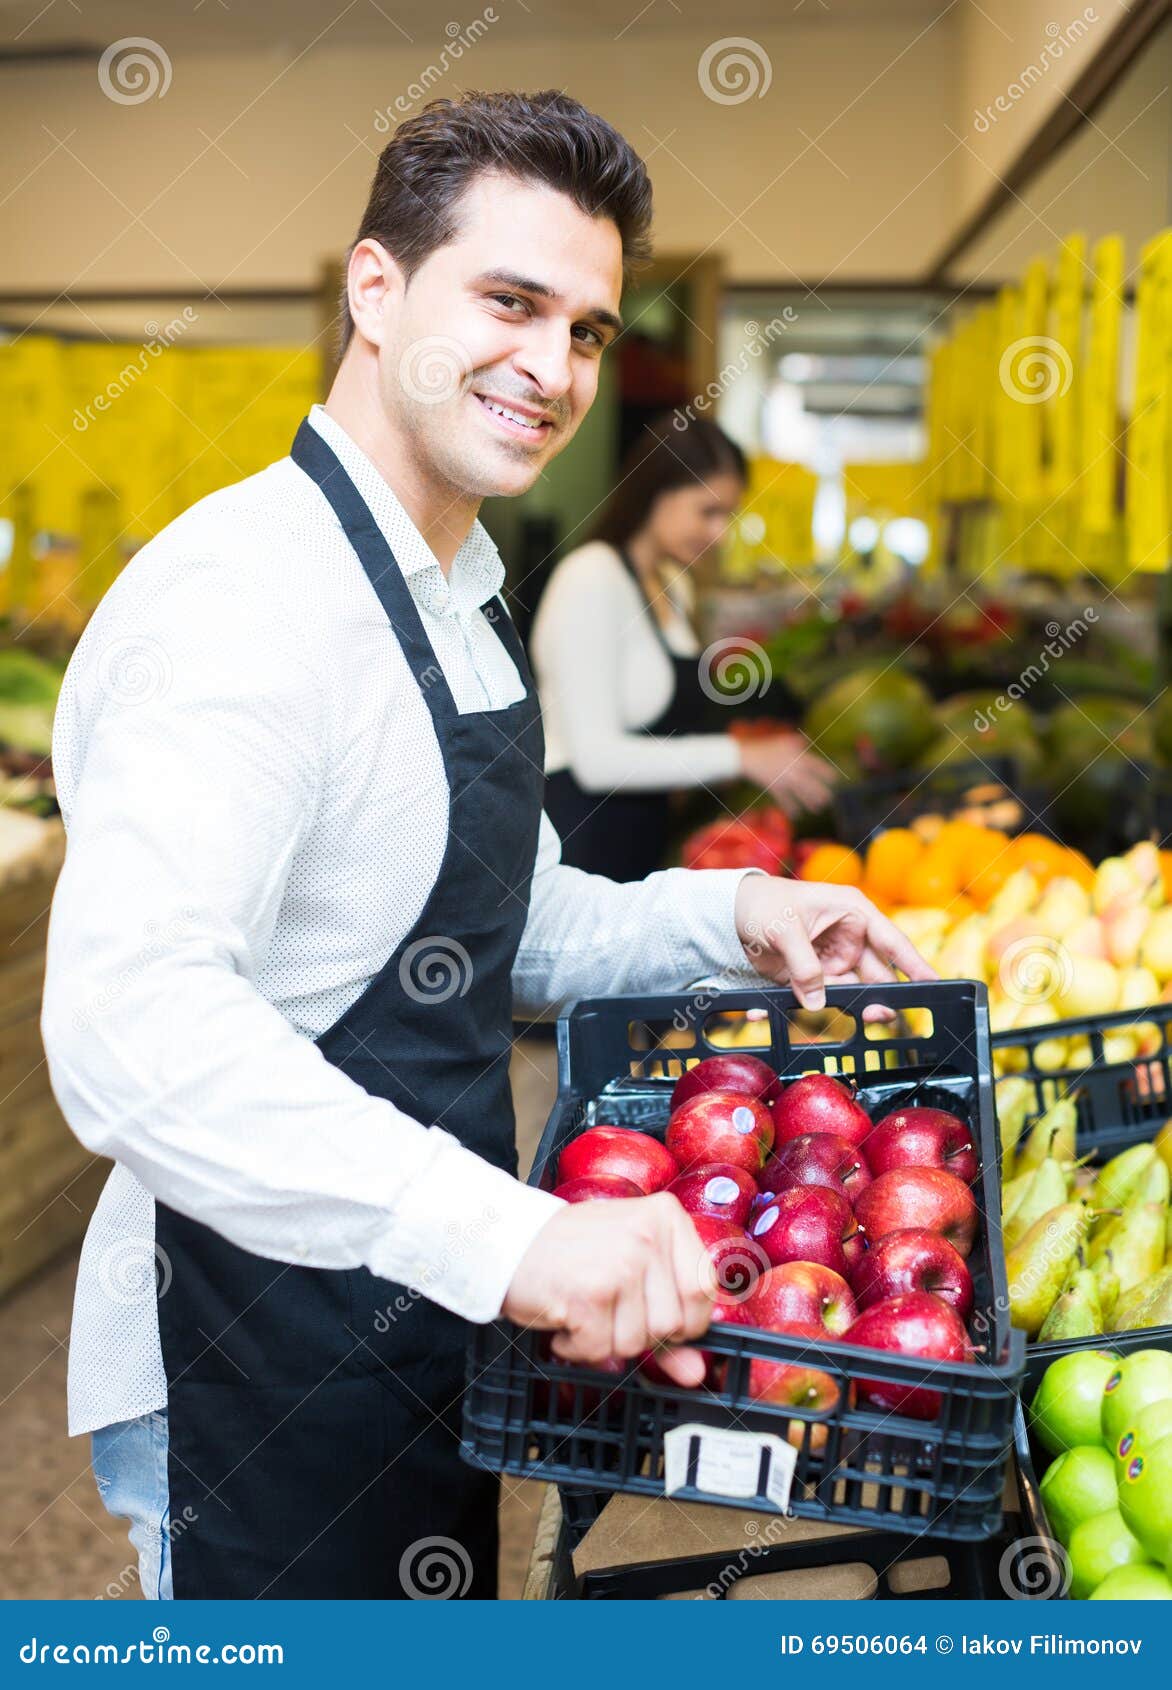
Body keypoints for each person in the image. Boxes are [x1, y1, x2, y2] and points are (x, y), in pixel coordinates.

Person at [41, 90, 932, 1602]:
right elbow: (131, 1027)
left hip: (422, 1301)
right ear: (374, 291)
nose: (554, 366)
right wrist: (505, 1233)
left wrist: (731, 914)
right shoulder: (244, 607)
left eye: (586, 328)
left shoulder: (458, 581)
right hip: (251, 1353)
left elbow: (486, 921)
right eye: (510, 302)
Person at [533, 414, 836, 881]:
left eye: (728, 516)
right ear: (657, 491)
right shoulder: (591, 578)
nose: (719, 534)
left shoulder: (674, 584)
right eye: (707, 511)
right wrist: (745, 757)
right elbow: (597, 761)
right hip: (583, 848)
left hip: (644, 845)